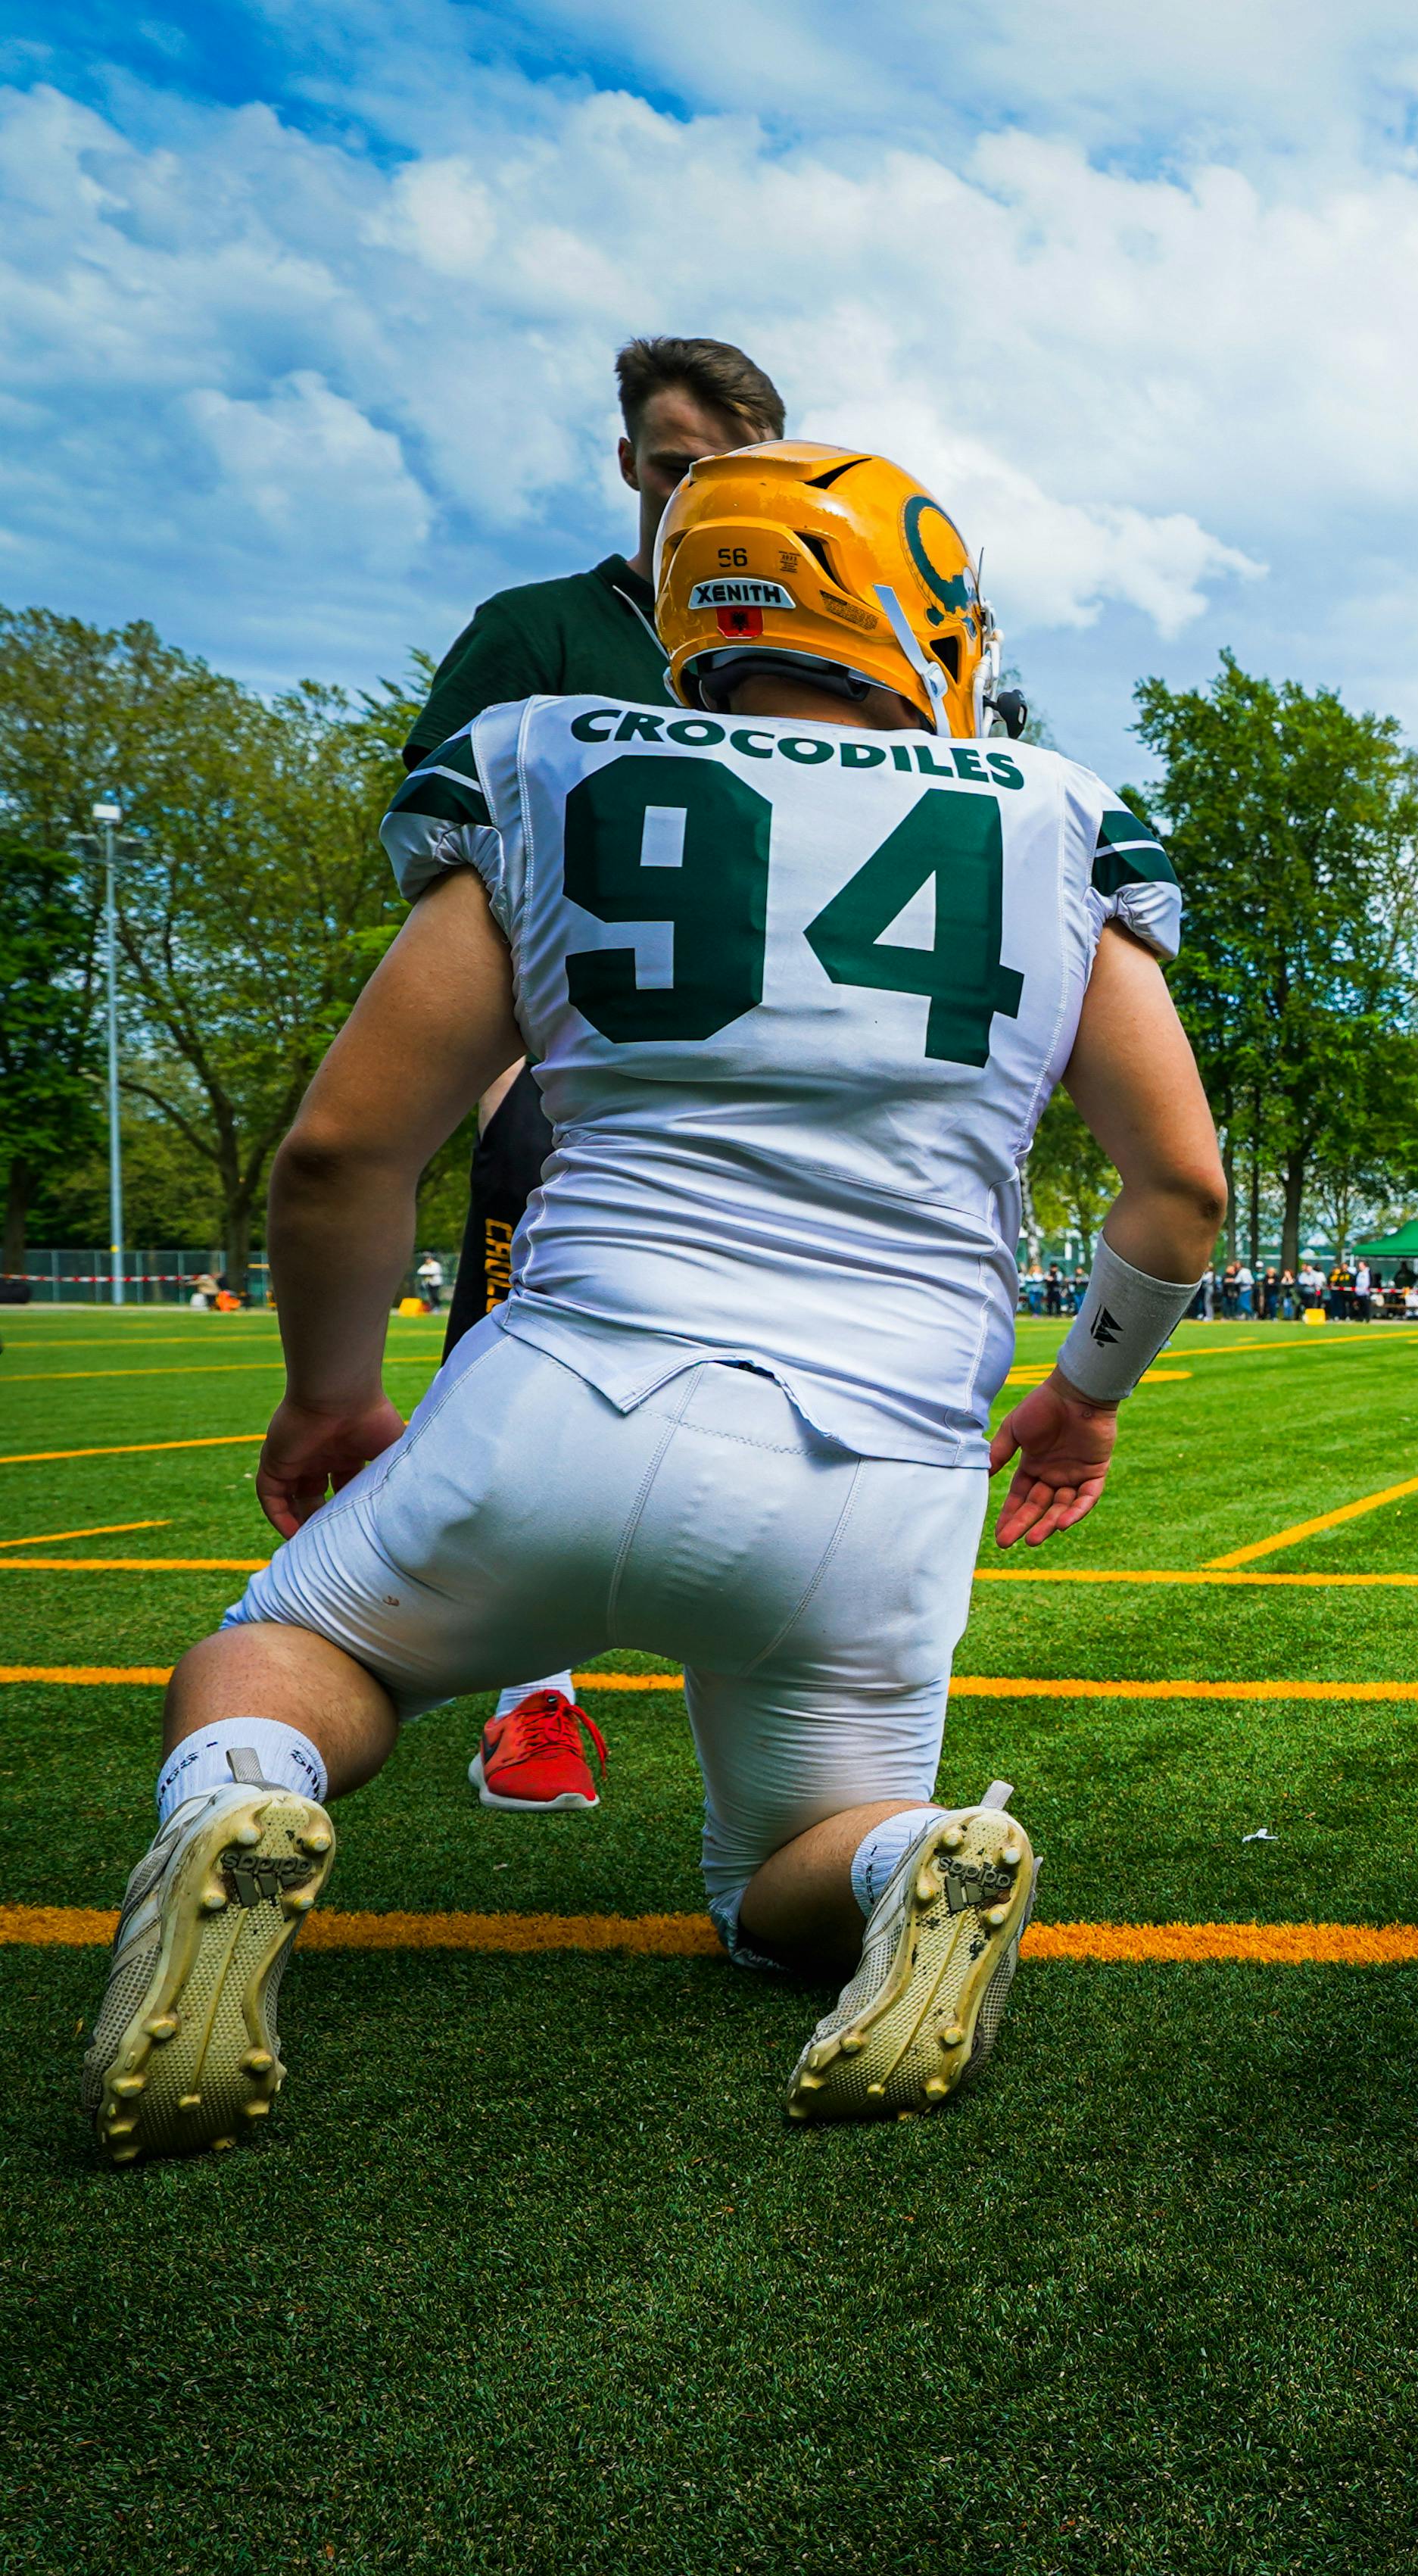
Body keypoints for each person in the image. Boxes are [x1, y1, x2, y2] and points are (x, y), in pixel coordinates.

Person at [81, 440, 1226, 2168]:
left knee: (291, 1651)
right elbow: (1182, 1186)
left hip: (564, 1392)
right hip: (878, 1464)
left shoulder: (549, 762)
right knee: (788, 1866)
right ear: (927, 622)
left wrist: (329, 1388)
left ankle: (248, 1798)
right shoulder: (1056, 815)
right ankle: (897, 1868)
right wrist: (1090, 1387)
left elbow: (339, 1151)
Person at [416, 336, 795, 1818]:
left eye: (731, 460)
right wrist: (501, 1066)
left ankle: (784, 1706)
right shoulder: (541, 633)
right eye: (675, 456)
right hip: (566, 1071)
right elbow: (452, 872)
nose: (697, 484)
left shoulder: (805, 661)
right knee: (529, 1365)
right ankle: (535, 1696)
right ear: (633, 462)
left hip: (756, 1082)